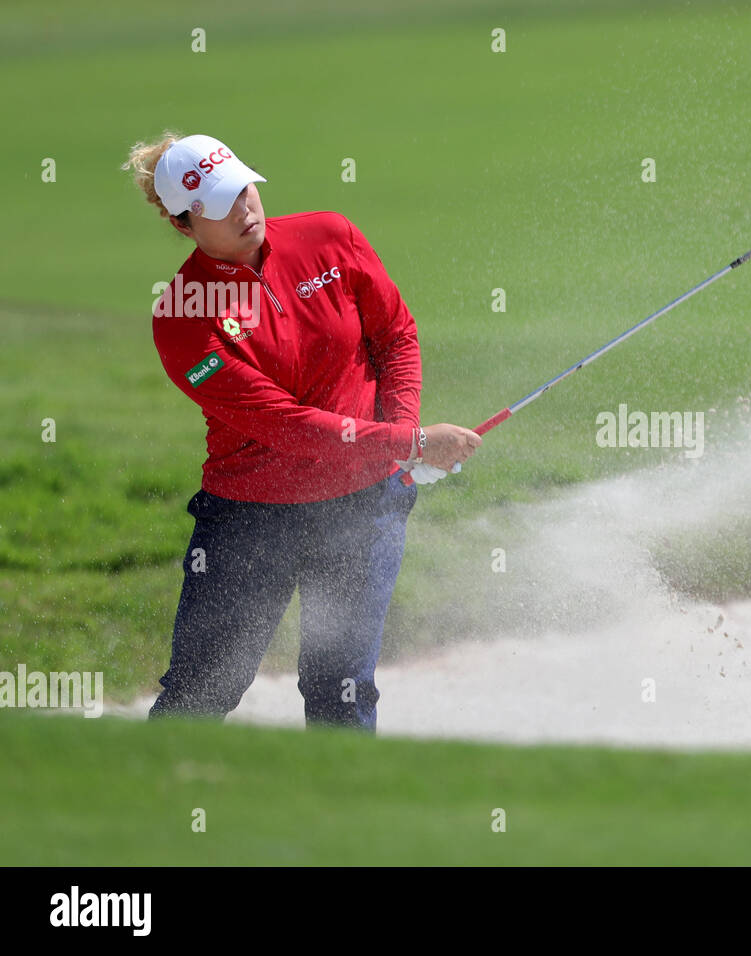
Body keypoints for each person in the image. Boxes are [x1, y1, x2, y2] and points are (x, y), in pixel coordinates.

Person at [121, 131, 481, 730]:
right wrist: (411, 445)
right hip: (249, 521)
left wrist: (402, 431)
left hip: (364, 509)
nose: (243, 209)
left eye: (244, 189)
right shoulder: (182, 319)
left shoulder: (330, 237)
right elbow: (287, 426)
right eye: (219, 203)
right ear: (185, 225)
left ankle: (340, 822)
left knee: (341, 690)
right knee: (201, 693)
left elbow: (395, 336)